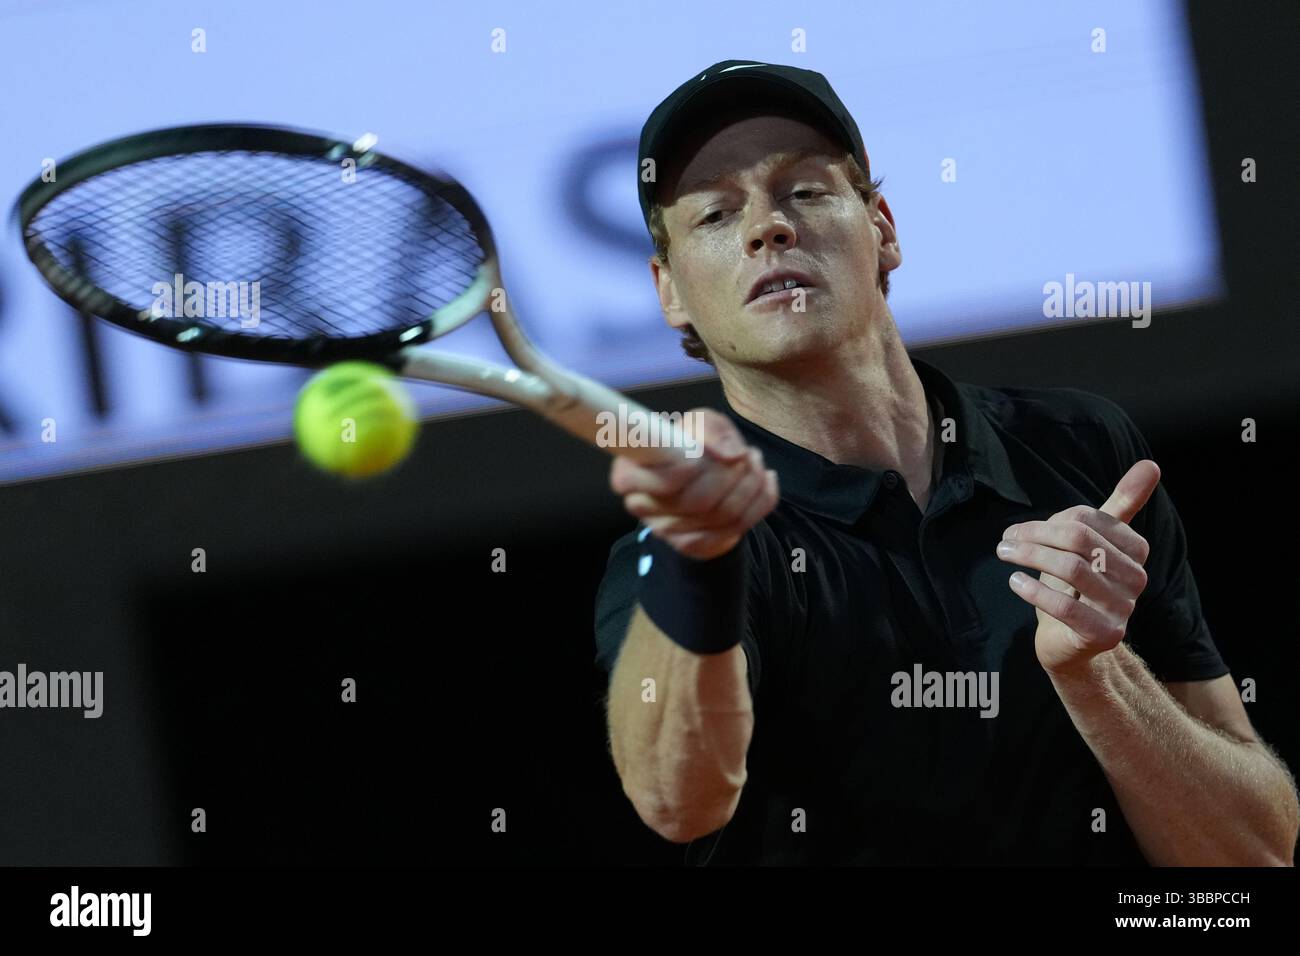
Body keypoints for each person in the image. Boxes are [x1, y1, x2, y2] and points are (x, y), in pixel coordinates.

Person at [593, 60, 1298, 865]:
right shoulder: (679, 559)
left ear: (883, 227)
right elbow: (676, 804)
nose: (768, 227)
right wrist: (695, 564)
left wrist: (1099, 676)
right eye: (717, 214)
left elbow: (1255, 857)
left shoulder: (1082, 446)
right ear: (670, 291)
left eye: (806, 192)